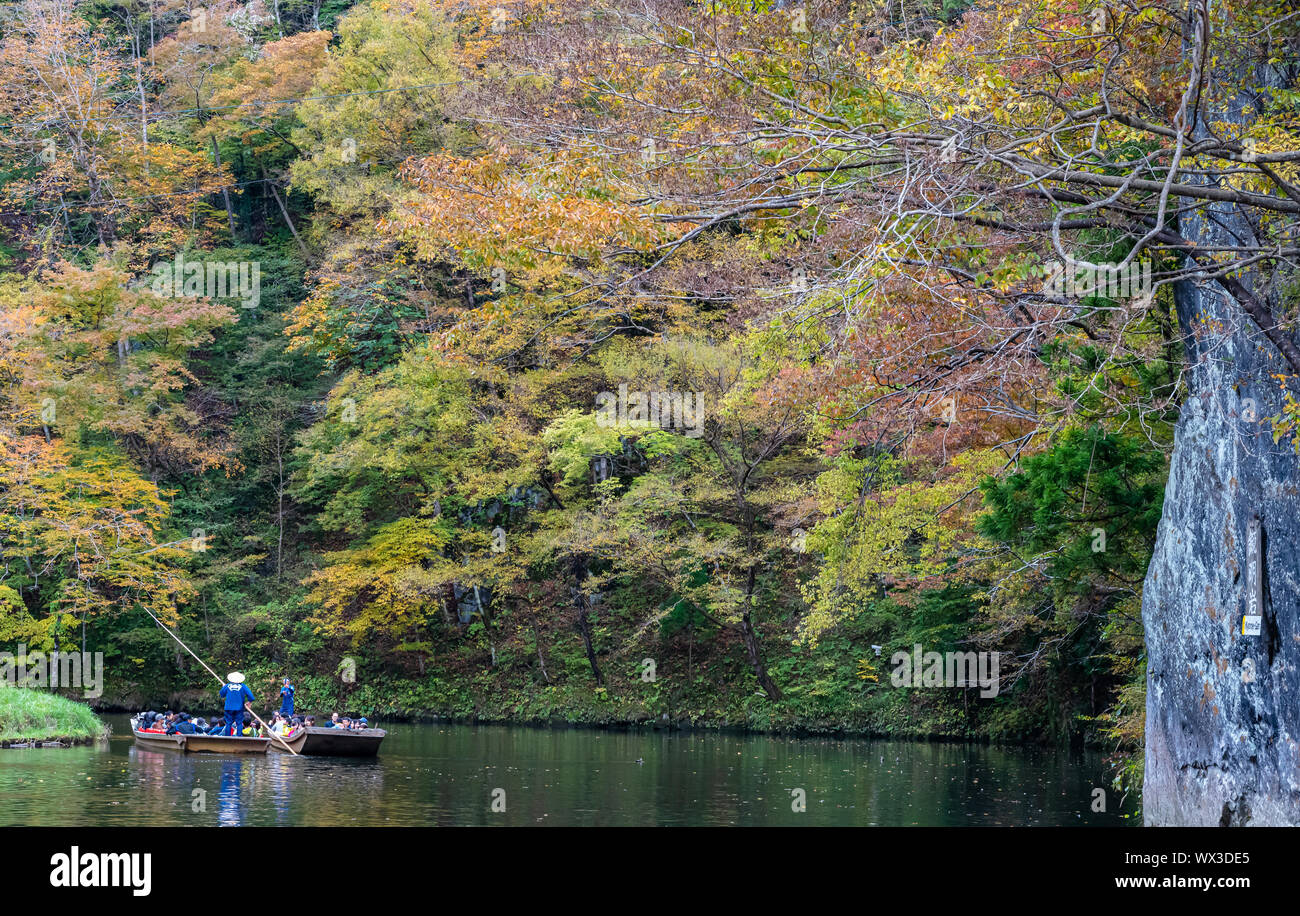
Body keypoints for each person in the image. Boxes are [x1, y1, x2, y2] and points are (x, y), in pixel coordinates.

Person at [219, 671, 255, 737]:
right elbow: (251, 697)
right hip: (239, 708)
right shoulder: (243, 686)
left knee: (228, 723)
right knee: (239, 723)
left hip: (229, 708)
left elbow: (222, 694)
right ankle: (239, 737)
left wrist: (223, 687)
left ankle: (227, 737)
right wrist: (249, 702)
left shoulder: (227, 686)